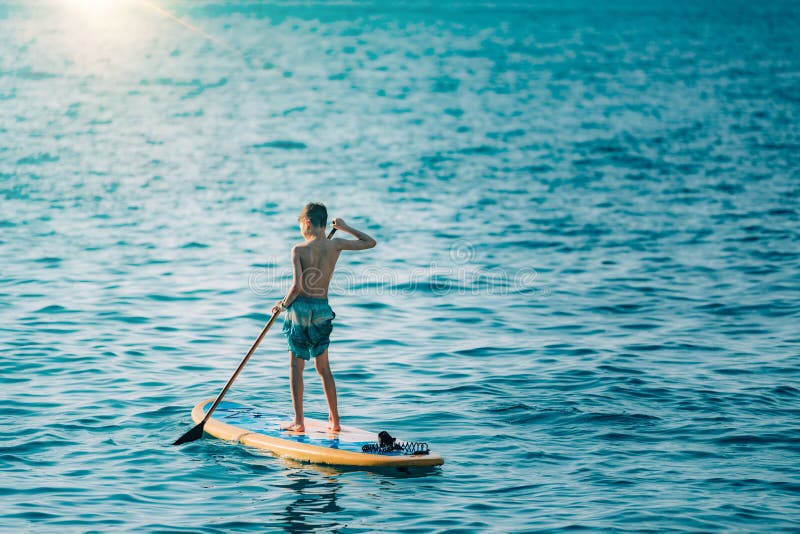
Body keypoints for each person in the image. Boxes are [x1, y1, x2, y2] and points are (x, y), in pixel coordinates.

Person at [272, 202, 376, 433]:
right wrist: (346, 227)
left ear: (307, 222)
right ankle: (335, 421)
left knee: (296, 366)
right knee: (323, 367)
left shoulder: (298, 250)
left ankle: (299, 422)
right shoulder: (335, 245)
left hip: (299, 311)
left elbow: (298, 287)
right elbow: (370, 242)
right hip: (321, 310)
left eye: (300, 224)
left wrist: (282, 305)